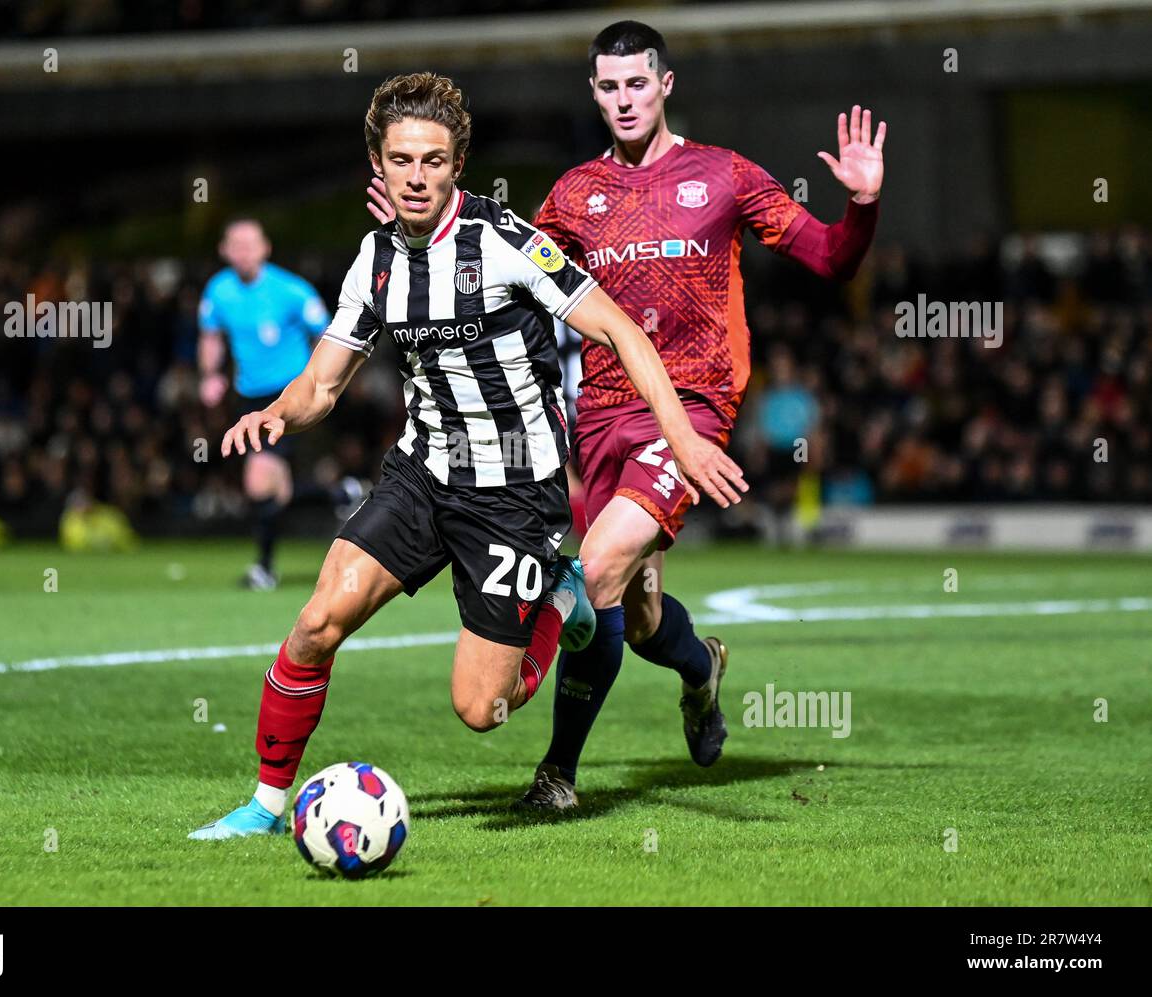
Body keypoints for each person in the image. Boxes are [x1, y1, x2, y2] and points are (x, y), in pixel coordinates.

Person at [189, 71, 746, 839]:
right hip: (422, 474)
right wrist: (275, 414)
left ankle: (562, 598)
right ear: (377, 167)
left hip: (514, 492)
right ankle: (263, 805)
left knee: (481, 709)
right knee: (317, 621)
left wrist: (681, 436)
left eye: (433, 160)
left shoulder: (507, 243)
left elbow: (621, 329)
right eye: (402, 160)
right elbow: (320, 385)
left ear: (457, 166)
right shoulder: (375, 260)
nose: (417, 176)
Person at [366, 19, 885, 809]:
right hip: (601, 416)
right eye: (608, 87)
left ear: (665, 84)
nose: (623, 99)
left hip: (693, 408)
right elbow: (497, 271)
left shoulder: (725, 175)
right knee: (637, 617)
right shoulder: (574, 195)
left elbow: (831, 257)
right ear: (594, 93)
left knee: (597, 569)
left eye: (637, 83)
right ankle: (700, 669)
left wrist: (862, 204)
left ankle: (558, 773)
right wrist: (415, 233)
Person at [199, 218, 358, 590]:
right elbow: (210, 337)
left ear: (265, 248)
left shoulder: (291, 291)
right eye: (235, 245)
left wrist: (323, 384)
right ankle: (340, 494)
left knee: (257, 483)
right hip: (247, 396)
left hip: (288, 396)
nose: (243, 252)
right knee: (278, 491)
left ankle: (264, 569)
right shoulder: (218, 291)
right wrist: (210, 375)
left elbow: (331, 335)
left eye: (249, 244)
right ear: (224, 251)